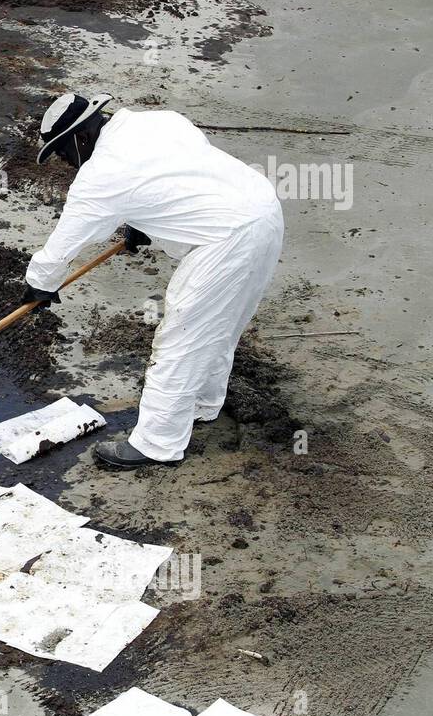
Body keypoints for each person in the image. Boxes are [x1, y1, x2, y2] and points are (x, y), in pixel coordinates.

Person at [21, 92, 284, 469]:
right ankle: (203, 404)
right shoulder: (158, 121)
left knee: (182, 337)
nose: (67, 164)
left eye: (63, 153)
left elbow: (64, 244)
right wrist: (142, 224)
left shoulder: (101, 175)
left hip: (228, 240)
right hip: (263, 210)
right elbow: (177, 180)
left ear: (80, 137)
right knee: (221, 325)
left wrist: (40, 283)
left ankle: (157, 443)